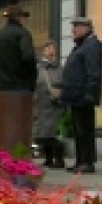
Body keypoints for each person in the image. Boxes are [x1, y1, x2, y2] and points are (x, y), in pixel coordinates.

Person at [0, 3, 38, 151]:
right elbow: (28, 57)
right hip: (20, 89)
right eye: (23, 16)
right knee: (20, 128)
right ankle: (19, 158)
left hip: (1, 89)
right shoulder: (23, 34)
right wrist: (31, 79)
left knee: (3, 128)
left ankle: (2, 155)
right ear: (19, 17)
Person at [60, 17, 102, 174]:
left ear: (86, 28)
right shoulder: (82, 45)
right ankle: (81, 161)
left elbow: (93, 72)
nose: (73, 30)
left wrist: (89, 94)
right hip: (76, 95)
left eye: (76, 27)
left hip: (83, 96)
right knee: (79, 131)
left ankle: (87, 162)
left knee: (84, 131)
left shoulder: (90, 46)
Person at [33, 40, 65, 169]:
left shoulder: (59, 68)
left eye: (53, 48)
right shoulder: (38, 68)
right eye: (48, 48)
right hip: (40, 104)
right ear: (43, 51)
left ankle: (59, 159)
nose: (51, 51)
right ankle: (49, 159)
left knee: (50, 133)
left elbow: (63, 82)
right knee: (42, 133)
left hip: (53, 104)